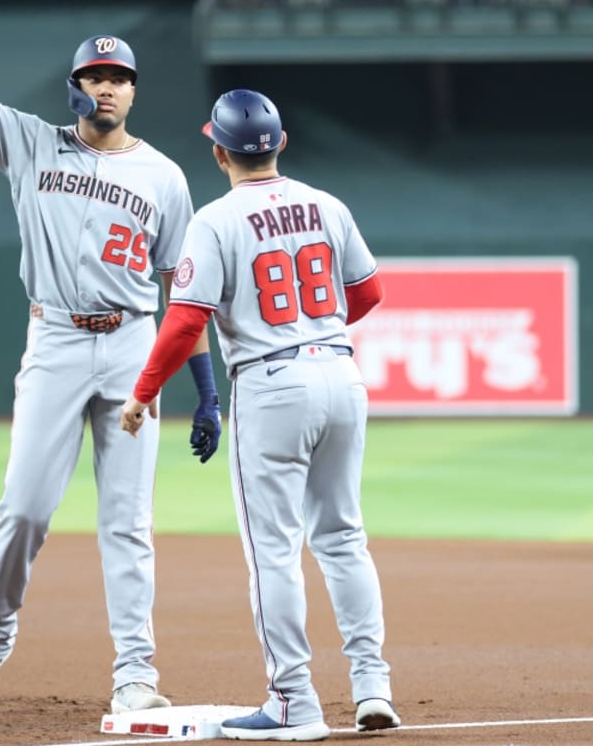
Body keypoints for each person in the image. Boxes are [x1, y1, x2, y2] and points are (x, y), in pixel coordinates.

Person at [0, 0, 223, 712]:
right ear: (76, 86)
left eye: (121, 77)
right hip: (57, 340)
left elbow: (182, 294)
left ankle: (136, 673)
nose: (109, 87)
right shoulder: (31, 142)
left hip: (132, 344)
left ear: (132, 90)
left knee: (128, 523)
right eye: (97, 76)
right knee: (25, 508)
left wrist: (207, 391)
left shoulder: (164, 176)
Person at [120, 90, 398, 740]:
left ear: (218, 150)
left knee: (274, 551)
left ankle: (293, 702)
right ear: (279, 144)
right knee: (343, 537)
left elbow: (186, 319)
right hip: (340, 371)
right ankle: (371, 687)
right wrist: (314, 327)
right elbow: (369, 292)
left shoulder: (215, 220)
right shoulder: (328, 204)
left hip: (273, 386)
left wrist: (142, 392)